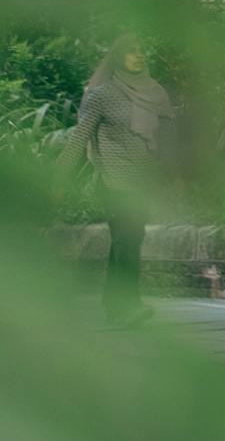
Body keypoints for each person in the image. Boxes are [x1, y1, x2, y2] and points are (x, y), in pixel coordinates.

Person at [70, 36, 176, 323]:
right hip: (116, 180)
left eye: (141, 51)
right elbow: (80, 136)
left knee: (129, 240)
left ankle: (116, 305)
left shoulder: (154, 92)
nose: (138, 56)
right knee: (127, 240)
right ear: (118, 57)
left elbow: (168, 131)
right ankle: (127, 304)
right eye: (131, 52)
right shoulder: (102, 95)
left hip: (145, 180)